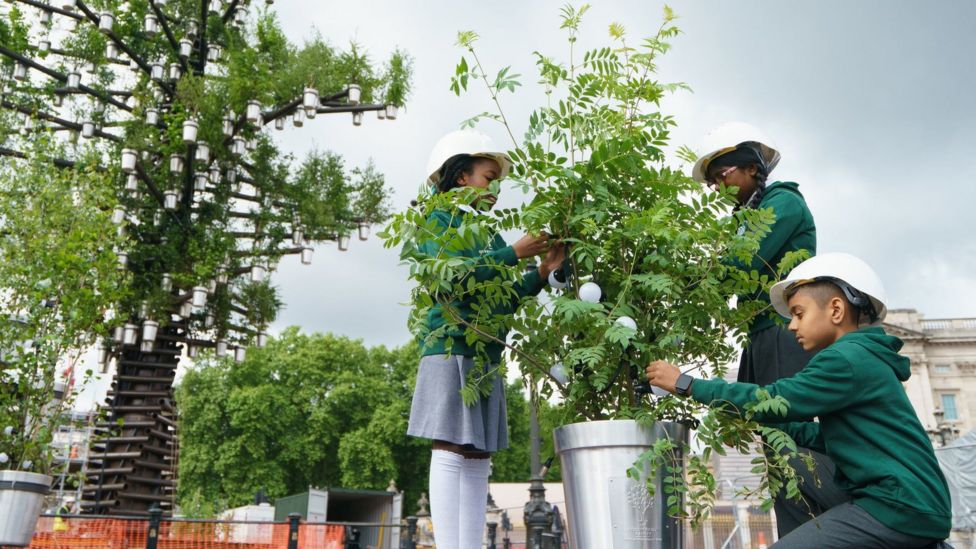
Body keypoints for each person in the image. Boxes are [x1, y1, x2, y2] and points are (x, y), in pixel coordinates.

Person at [646, 253, 953, 548]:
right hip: (905, 499)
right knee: (789, 459)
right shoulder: (860, 357)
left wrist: (686, 384)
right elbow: (829, 438)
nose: (792, 326)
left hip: (900, 505)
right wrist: (761, 429)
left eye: (799, 314)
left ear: (835, 310)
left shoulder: (845, 359)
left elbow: (776, 399)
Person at [406, 129, 566, 549]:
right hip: (451, 347)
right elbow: (451, 278)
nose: (495, 188)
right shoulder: (436, 219)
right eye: (488, 177)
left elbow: (502, 298)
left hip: (485, 351)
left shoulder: (488, 234)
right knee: (449, 446)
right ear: (461, 176)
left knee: (477, 453)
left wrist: (541, 274)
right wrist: (514, 253)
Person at [692, 122, 847, 534]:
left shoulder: (783, 203)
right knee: (773, 445)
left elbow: (740, 265)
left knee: (791, 442)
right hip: (762, 335)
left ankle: (840, 526)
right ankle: (799, 535)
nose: (717, 189)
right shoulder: (747, 216)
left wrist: (687, 273)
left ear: (751, 167)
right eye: (711, 183)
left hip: (786, 331)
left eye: (721, 176)